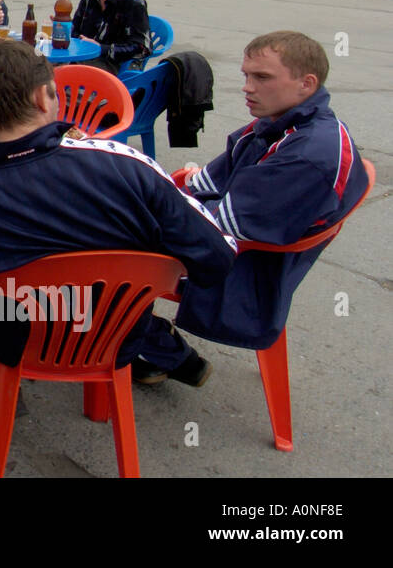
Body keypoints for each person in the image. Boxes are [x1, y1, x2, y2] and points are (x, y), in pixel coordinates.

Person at [0, 40, 236, 388]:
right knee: (122, 279)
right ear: (40, 98)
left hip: (10, 339)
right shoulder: (129, 167)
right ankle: (165, 350)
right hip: (114, 335)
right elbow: (217, 256)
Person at [130, 31, 369, 385]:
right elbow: (204, 184)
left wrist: (131, 208)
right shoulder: (280, 123)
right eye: (246, 75)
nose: (247, 87)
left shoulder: (308, 155)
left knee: (92, 251)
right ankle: (140, 345)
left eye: (262, 77)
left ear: (307, 83)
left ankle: (150, 350)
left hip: (246, 271)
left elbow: (216, 229)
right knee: (105, 227)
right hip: (236, 239)